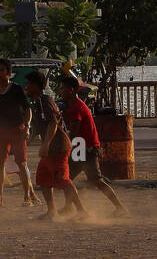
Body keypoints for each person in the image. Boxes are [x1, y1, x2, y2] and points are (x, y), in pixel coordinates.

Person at [59, 75, 126, 215]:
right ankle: (71, 207)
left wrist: (65, 147)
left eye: (62, 89)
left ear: (71, 90)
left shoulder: (75, 107)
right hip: (83, 147)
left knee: (96, 180)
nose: (60, 92)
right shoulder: (76, 105)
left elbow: (74, 133)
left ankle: (119, 208)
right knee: (67, 178)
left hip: (86, 148)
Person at [26, 71, 85, 221]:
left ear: (35, 86)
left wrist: (45, 144)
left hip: (58, 146)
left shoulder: (45, 101)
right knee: (43, 178)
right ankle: (52, 211)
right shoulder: (38, 101)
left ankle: (81, 211)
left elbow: (53, 122)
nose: (26, 87)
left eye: (28, 84)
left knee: (63, 180)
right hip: (51, 148)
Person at [0, 58, 35, 207]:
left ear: (8, 73)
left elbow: (27, 110)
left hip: (17, 129)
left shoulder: (16, 89)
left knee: (21, 163)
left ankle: (27, 197)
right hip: (2, 131)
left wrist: (27, 126)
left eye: (1, 70)